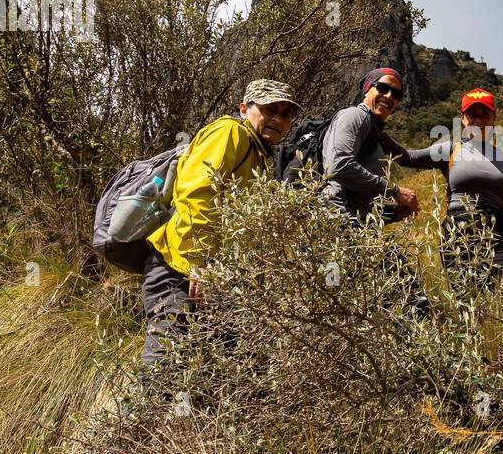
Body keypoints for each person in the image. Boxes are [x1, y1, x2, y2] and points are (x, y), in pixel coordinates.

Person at [141, 79, 300, 364]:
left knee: (212, 369)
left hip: (213, 279)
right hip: (181, 272)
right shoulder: (230, 132)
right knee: (163, 366)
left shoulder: (258, 152)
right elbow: (197, 192)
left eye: (286, 114)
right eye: (269, 109)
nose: (278, 119)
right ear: (244, 108)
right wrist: (199, 262)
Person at [389, 88, 503, 286]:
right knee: (467, 297)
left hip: (500, 234)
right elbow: (407, 157)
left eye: (485, 114)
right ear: (462, 119)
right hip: (458, 232)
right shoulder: (450, 149)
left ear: (494, 117)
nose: (478, 120)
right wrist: (376, 130)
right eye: (472, 114)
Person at [322, 67, 419, 222]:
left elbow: (361, 199)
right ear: (367, 89)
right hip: (336, 221)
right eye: (382, 88)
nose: (389, 96)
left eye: (396, 94)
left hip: (355, 224)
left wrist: (393, 214)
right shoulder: (355, 116)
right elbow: (338, 166)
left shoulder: (375, 132)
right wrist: (394, 191)